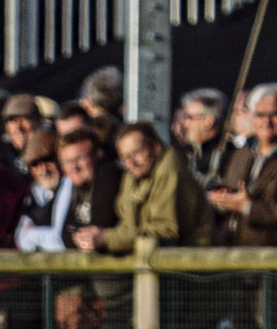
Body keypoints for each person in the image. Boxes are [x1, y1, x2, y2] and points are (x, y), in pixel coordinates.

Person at [73, 121, 214, 254]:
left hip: (190, 264)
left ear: (155, 148)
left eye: (137, 153)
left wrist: (107, 238)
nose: (131, 162)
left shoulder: (169, 171)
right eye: (125, 157)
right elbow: (127, 223)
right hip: (155, 262)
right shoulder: (133, 173)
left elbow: (165, 230)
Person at [211, 83, 277, 245]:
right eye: (260, 114)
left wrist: (248, 207)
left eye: (274, 114)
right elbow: (228, 189)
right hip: (231, 254)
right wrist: (221, 199)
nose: (266, 121)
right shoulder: (240, 155)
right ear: (253, 118)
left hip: (267, 260)